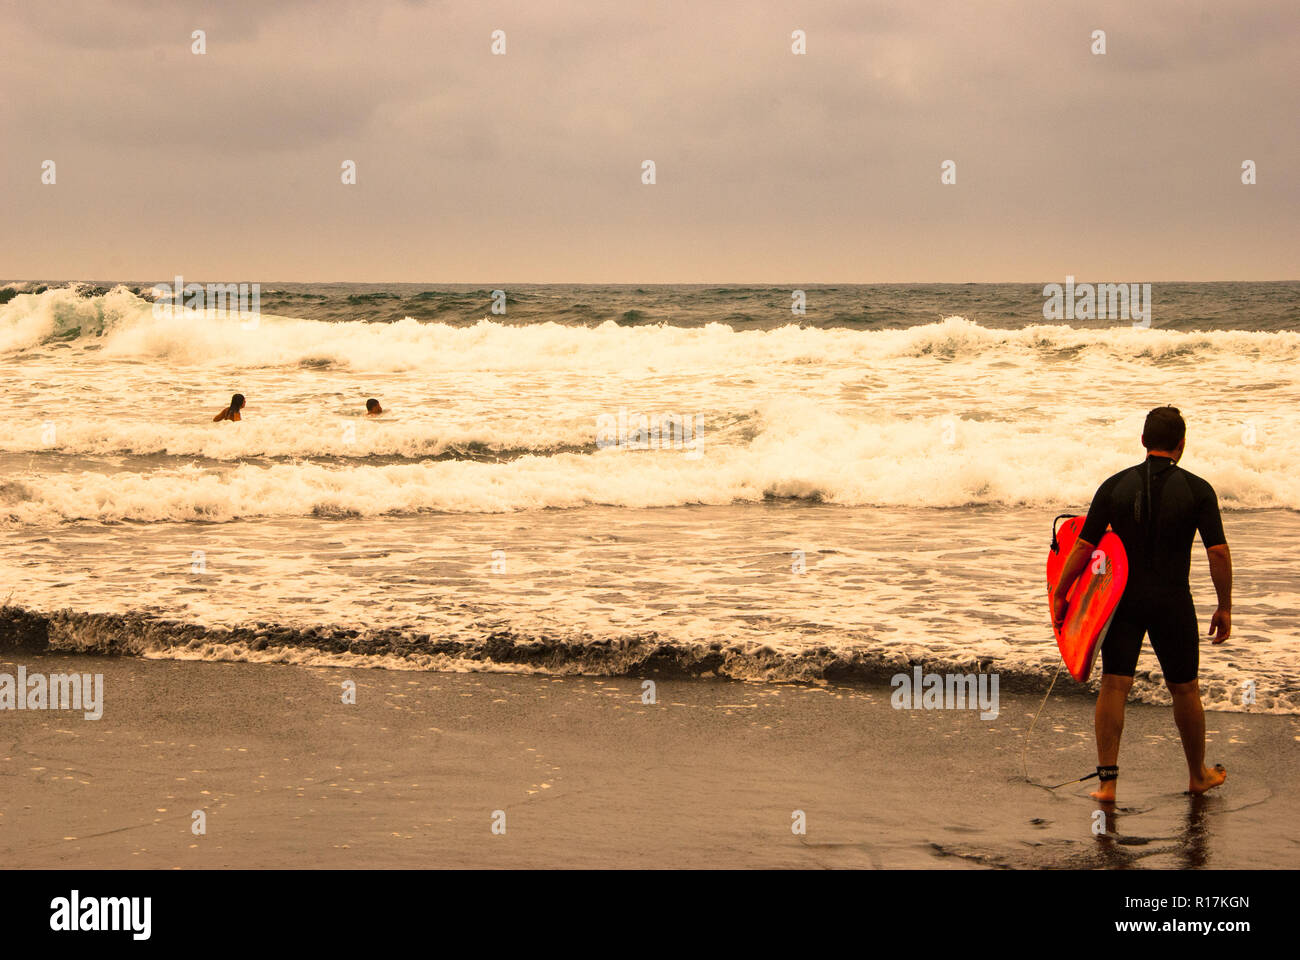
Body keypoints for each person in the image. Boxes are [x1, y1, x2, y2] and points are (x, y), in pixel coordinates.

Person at [1051, 406, 1231, 800]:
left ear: (1144, 442)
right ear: (1181, 445)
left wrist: (1061, 593)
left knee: (1114, 685)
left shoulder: (1115, 486)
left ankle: (1107, 784)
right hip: (1172, 600)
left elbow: (1084, 545)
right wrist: (1224, 606)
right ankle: (1197, 775)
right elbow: (1217, 552)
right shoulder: (1198, 490)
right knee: (1185, 689)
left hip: (1123, 603)